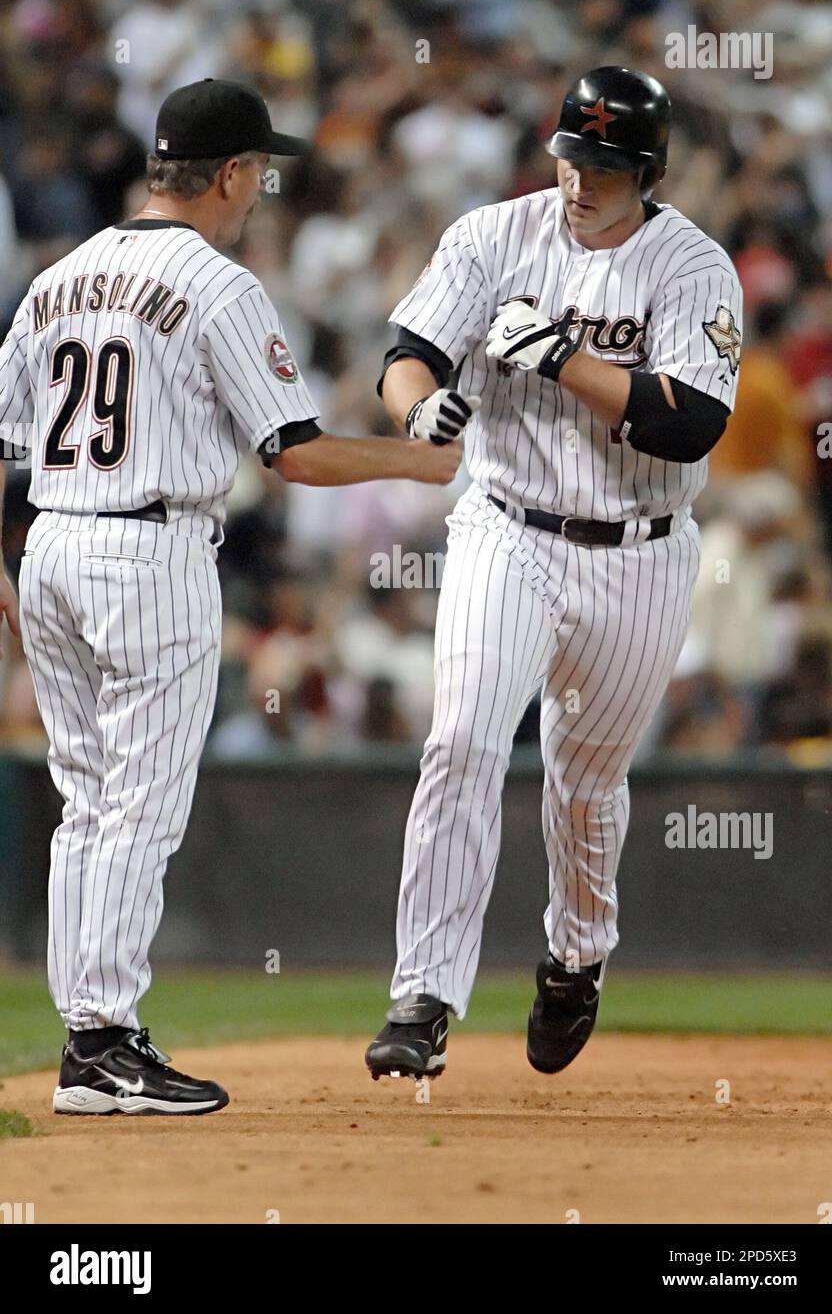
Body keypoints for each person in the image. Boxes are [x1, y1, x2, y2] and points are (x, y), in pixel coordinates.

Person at [0, 78, 462, 1116]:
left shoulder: (56, 277)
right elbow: (291, 454)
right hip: (148, 554)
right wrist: (417, 463)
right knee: (140, 809)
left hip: (53, 547)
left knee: (88, 803)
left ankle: (88, 1038)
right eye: (258, 170)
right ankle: (104, 1041)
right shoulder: (219, 283)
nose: (260, 190)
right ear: (229, 174)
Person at [364, 66, 743, 1080]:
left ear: (648, 173)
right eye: (574, 157)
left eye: (608, 167)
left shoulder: (692, 265)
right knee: (461, 739)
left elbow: (691, 419)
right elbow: (405, 351)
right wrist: (417, 409)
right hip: (508, 526)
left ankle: (576, 956)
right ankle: (424, 994)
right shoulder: (493, 237)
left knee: (585, 786)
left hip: (640, 546)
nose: (583, 181)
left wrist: (563, 357)